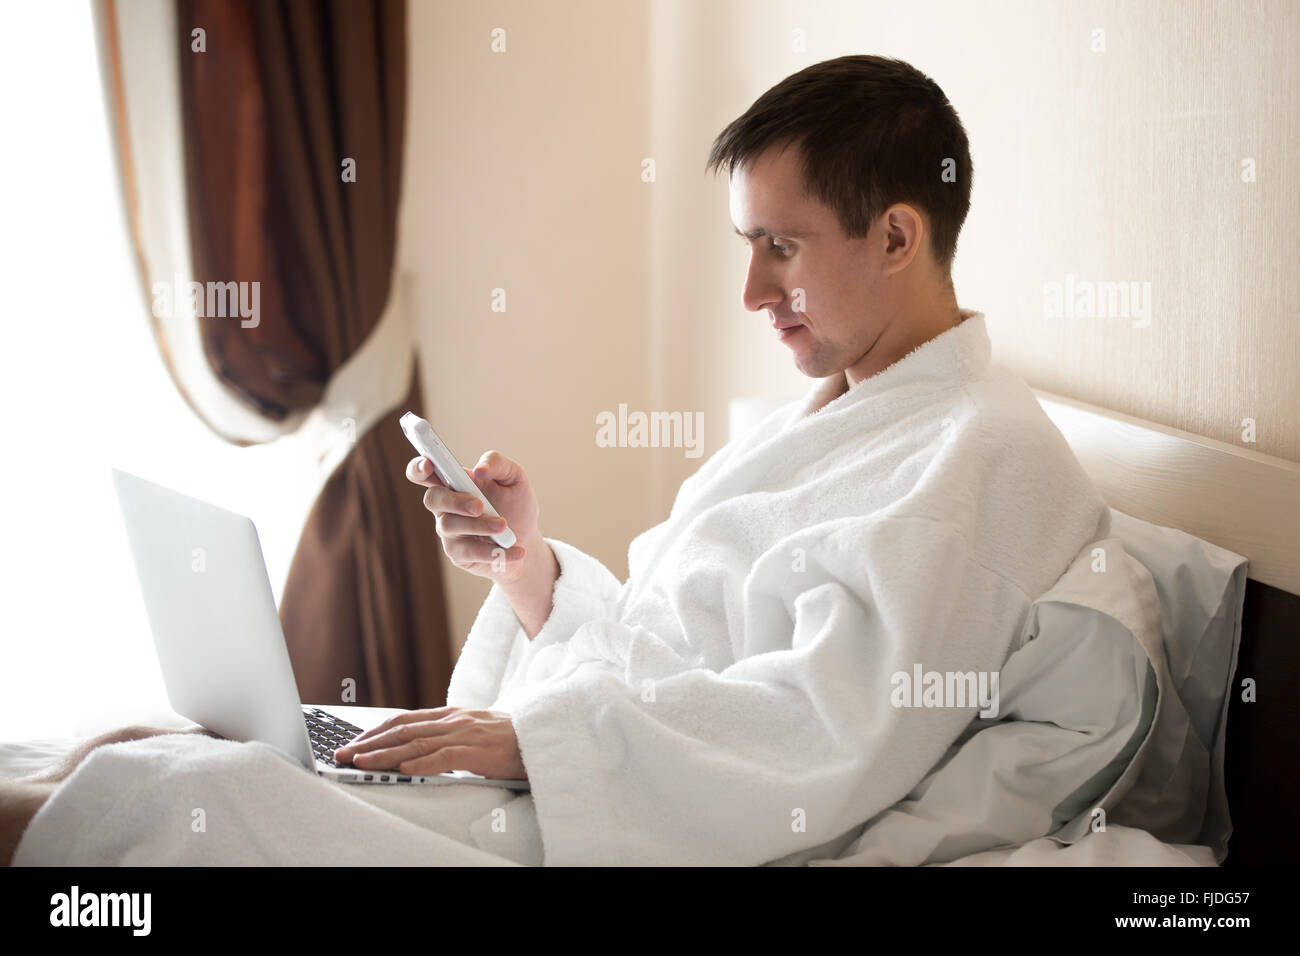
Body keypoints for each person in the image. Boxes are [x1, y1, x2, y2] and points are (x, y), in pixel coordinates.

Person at [3, 54, 1109, 867]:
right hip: (586, 769)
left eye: (783, 246)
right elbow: (675, 647)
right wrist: (530, 571)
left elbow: (821, 733)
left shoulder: (980, 462)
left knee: (166, 793)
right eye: (746, 246)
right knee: (138, 735)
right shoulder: (829, 416)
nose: (752, 293)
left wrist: (529, 737)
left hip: (607, 823)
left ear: (898, 236)